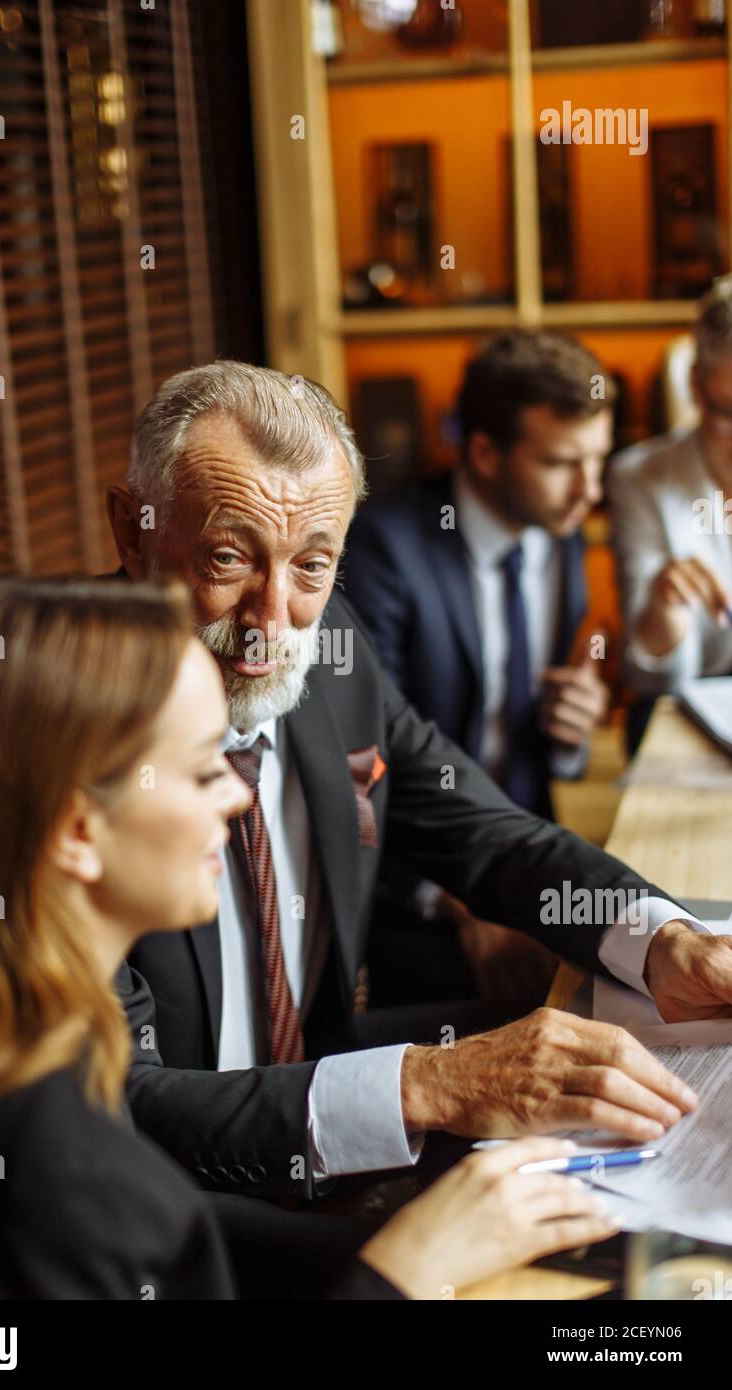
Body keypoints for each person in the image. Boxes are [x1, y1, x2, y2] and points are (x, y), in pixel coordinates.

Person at [0, 575, 618, 1300]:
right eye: (203, 771)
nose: (239, 792)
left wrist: (416, 1236)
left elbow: (166, 1242)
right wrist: (398, 1274)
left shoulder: (5, 1028)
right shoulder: (34, 1147)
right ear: (78, 831)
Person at [106, 361, 728, 1203]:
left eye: (312, 566)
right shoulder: (56, 730)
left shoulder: (328, 652)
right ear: (131, 531)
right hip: (179, 1194)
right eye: (227, 557)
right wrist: (424, 1085)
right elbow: (114, 1106)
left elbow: (484, 833)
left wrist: (664, 942)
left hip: (323, 1093)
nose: (270, 619)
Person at [343, 330, 613, 1008]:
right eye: (562, 463)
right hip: (412, 882)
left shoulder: (561, 527)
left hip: (526, 850)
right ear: (485, 452)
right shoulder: (386, 549)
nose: (590, 489)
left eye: (599, 460)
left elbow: (537, 741)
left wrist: (570, 735)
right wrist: (465, 905)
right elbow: (368, 759)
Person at [610, 276, 732, 708]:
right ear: (696, 388)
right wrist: (665, 604)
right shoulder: (638, 479)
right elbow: (651, 682)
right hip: (695, 703)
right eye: (729, 412)